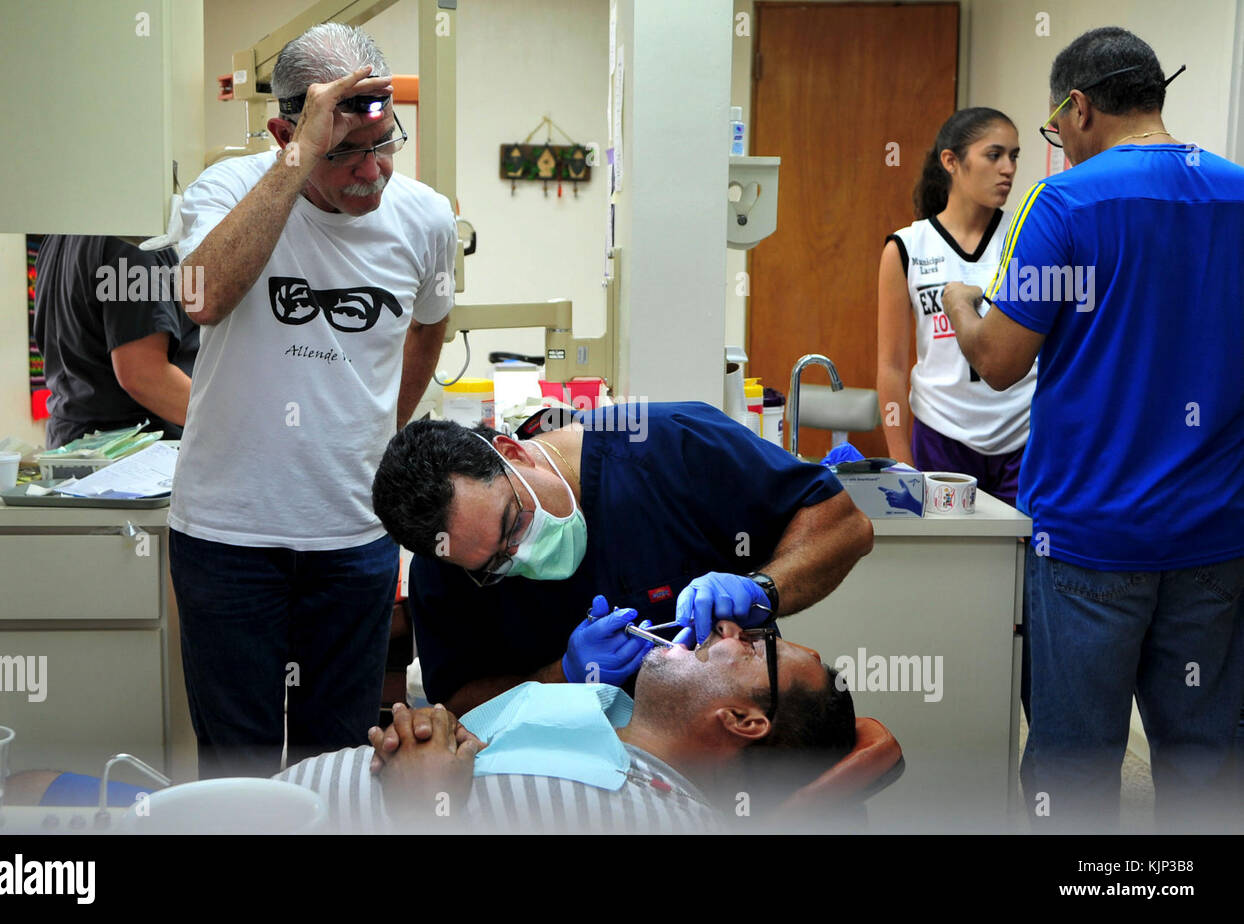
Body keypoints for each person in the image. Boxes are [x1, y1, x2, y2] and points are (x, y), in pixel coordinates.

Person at [940, 27, 1244, 832]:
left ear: (1076, 109)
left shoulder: (1066, 202)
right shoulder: (1238, 193)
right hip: (1216, 533)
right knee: (1206, 754)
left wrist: (964, 307)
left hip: (1090, 533)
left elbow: (1001, 362)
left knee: (1074, 759)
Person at [168, 23, 457, 778]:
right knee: (239, 766)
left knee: (342, 762)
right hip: (228, 535)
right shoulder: (227, 191)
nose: (371, 174)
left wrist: (379, 434)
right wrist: (299, 161)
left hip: (353, 535)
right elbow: (201, 298)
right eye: (344, 152)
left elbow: (429, 329)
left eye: (383, 145)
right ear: (283, 133)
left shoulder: (425, 217)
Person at [371, 402, 873, 714]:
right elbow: (458, 703)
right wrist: (562, 676)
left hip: (725, 753)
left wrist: (762, 590)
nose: (523, 554)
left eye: (514, 522)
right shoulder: (443, 564)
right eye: (494, 567)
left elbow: (847, 526)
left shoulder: (670, 444)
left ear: (512, 451)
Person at [275, 619, 857, 833]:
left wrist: (421, 809)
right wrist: (441, 732)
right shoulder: (606, 710)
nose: (729, 627)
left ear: (743, 721)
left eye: (756, 647)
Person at [877, 108, 1034, 505]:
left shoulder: (1029, 238)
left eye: (1014, 156)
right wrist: (900, 461)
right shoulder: (907, 246)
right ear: (951, 161)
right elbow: (891, 365)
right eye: (994, 155)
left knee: (1016, 563)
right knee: (949, 562)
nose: (1008, 169)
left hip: (1023, 433)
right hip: (941, 432)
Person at [33, 235, 198, 447]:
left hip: (71, 442)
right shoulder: (130, 241)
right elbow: (143, 375)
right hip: (132, 454)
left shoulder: (61, 235)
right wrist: (228, 426)